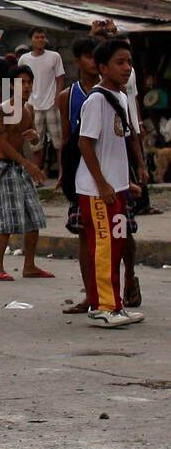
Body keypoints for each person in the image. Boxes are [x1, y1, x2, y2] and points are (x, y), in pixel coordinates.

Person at [74, 38, 144, 327]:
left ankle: (115, 304)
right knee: (103, 245)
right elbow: (85, 144)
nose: (127, 68)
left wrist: (126, 180)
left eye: (128, 61)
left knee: (116, 244)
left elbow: (114, 147)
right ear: (103, 67)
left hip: (117, 188)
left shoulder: (122, 97)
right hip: (96, 191)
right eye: (120, 62)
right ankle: (103, 305)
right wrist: (102, 183)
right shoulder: (97, 100)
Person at [0, 65, 51, 281]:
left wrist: (34, 136)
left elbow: (32, 139)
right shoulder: (3, 109)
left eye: (28, 82)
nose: (26, 86)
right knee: (7, 219)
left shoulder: (29, 109)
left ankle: (30, 265)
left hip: (22, 168)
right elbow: (2, 143)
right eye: (21, 82)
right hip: (5, 168)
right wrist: (29, 164)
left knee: (34, 218)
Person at [16, 29, 65, 171]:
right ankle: (37, 173)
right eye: (37, 37)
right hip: (32, 105)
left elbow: (60, 78)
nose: (40, 40)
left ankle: (62, 174)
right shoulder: (24, 59)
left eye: (43, 37)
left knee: (58, 142)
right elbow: (18, 80)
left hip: (51, 104)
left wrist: (57, 98)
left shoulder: (54, 56)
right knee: (35, 144)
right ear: (31, 39)